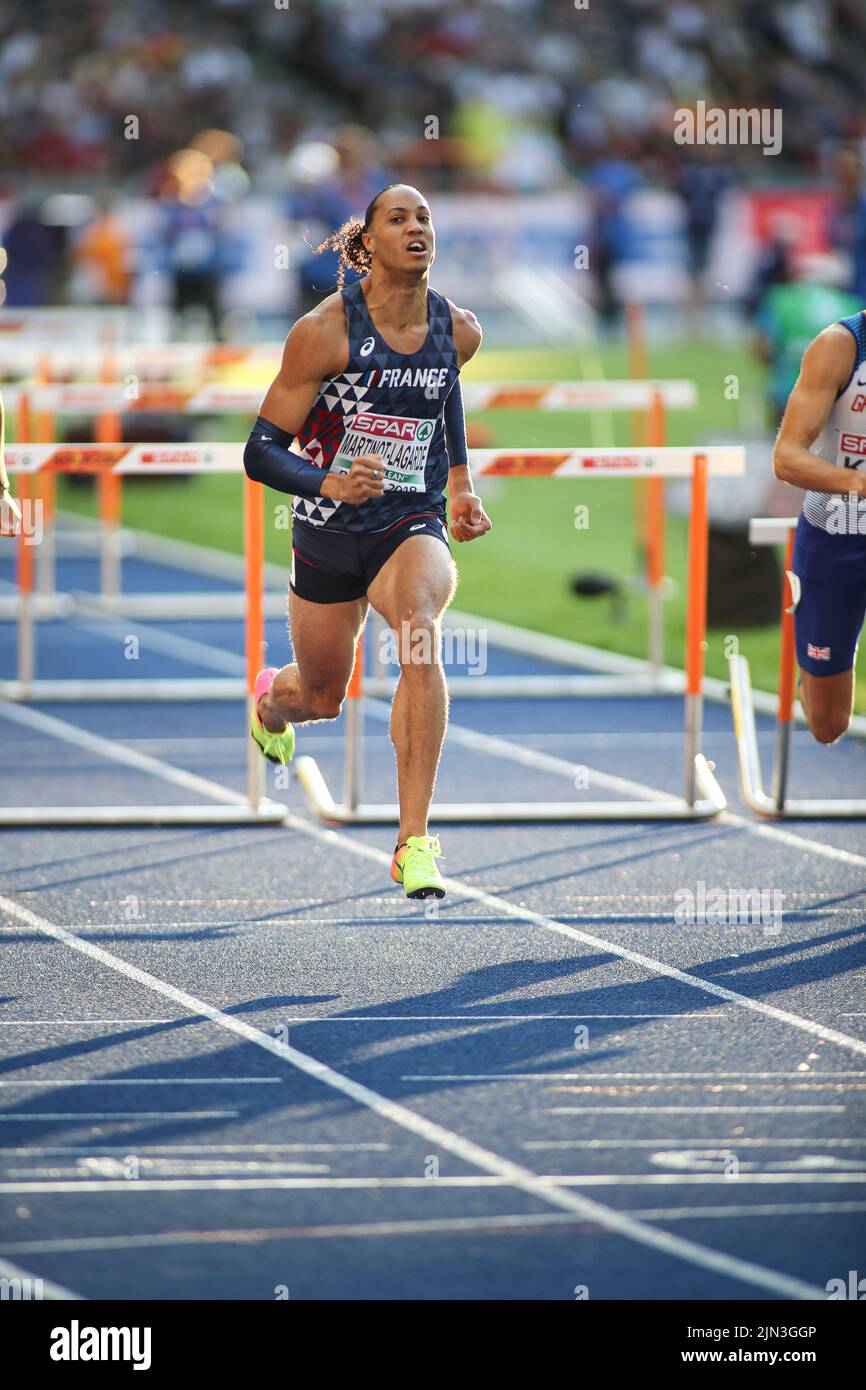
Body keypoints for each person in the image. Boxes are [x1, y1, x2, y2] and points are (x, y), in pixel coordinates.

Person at [243, 184, 491, 898]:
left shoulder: (460, 329)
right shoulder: (325, 331)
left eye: (425, 218)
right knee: (321, 697)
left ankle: (414, 842)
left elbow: (443, 392)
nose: (416, 228)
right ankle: (270, 701)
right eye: (398, 219)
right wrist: (326, 486)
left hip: (407, 518)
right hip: (327, 526)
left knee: (419, 628)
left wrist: (462, 481)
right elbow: (261, 452)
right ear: (368, 243)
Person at [772, 308, 866, 744]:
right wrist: (857, 482)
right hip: (837, 532)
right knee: (828, 725)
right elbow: (787, 457)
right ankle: (814, 682)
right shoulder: (841, 345)